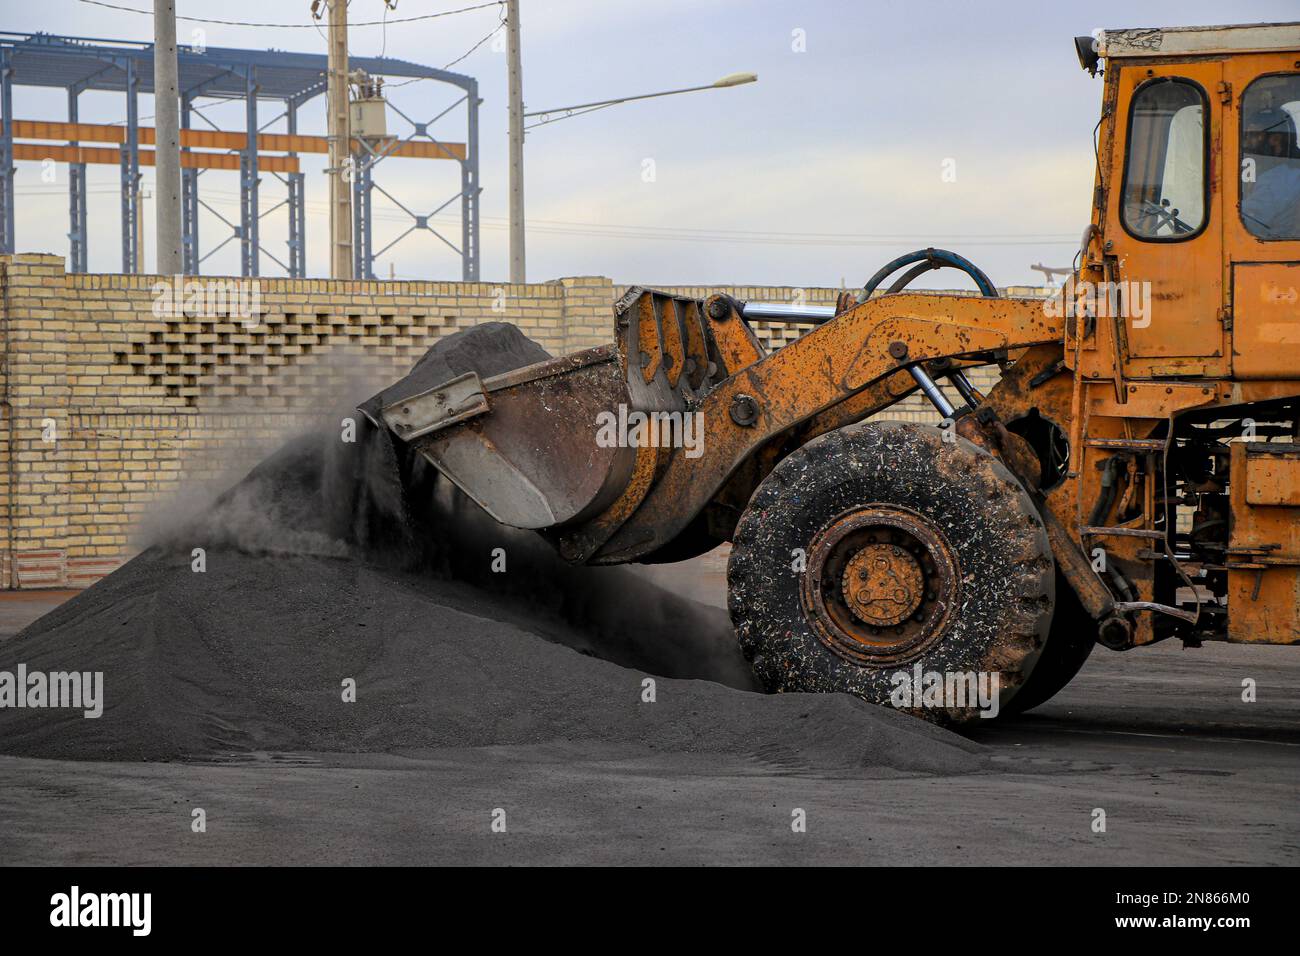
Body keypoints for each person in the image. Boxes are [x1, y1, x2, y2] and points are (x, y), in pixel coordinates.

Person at [1241, 104, 1300, 239]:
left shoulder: (1281, 177)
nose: (1246, 143)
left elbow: (1250, 219)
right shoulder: (1287, 171)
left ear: (1275, 139)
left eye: (1253, 135)